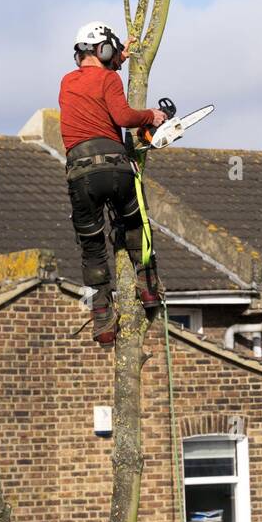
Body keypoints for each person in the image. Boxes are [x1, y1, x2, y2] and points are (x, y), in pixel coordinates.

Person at [58, 21, 168, 345]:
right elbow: (121, 117)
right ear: (103, 51)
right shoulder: (110, 79)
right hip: (115, 169)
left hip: (80, 175)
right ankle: (147, 286)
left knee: (91, 246)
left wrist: (121, 54)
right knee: (136, 223)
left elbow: (95, 81)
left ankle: (103, 318)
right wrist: (151, 115)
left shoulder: (66, 82)